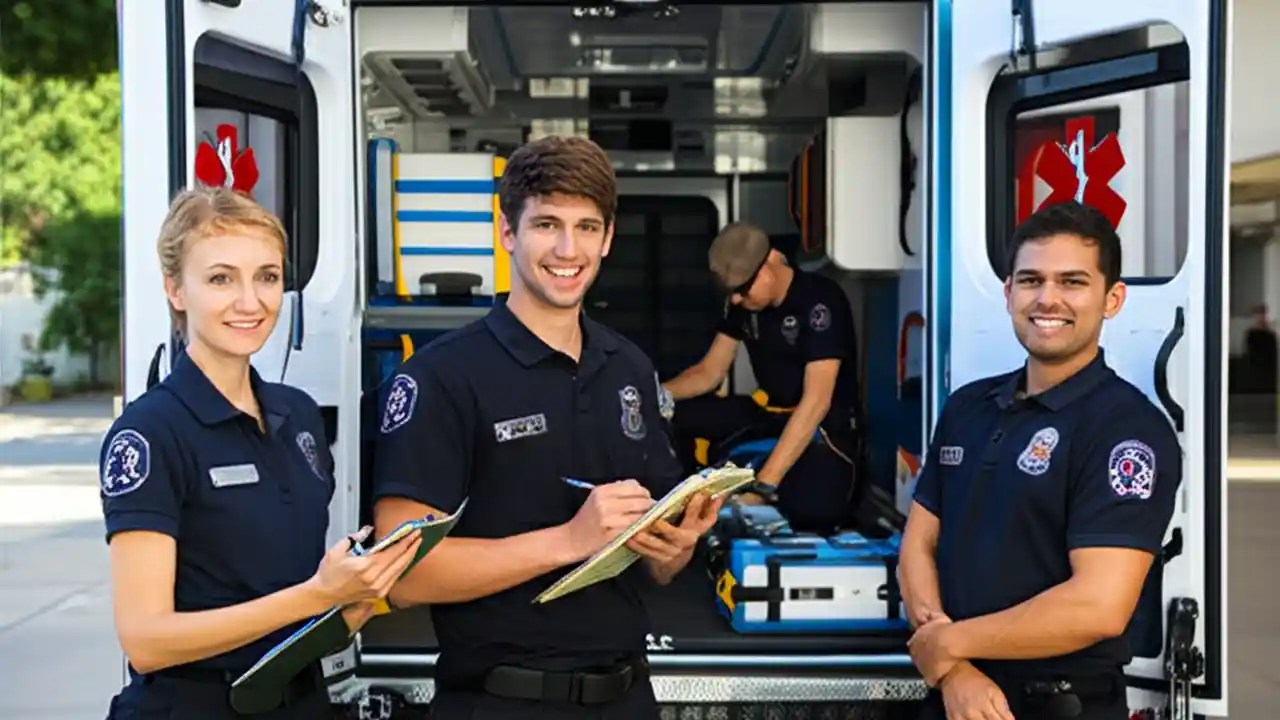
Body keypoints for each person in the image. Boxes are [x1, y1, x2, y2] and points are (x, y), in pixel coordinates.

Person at [370, 135, 723, 719]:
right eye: (546, 224)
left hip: (629, 698)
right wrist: (569, 541)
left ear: (608, 240)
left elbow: (659, 563)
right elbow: (402, 574)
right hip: (501, 702)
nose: (568, 248)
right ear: (508, 232)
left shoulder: (630, 368)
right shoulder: (441, 377)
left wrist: (673, 547)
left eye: (587, 227)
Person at [101, 186, 422, 719]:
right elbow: (145, 640)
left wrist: (345, 610)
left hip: (301, 701)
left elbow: (282, 600)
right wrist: (318, 596)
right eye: (221, 278)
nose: (250, 301)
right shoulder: (151, 433)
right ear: (176, 290)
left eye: (267, 277)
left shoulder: (297, 416)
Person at [898, 201, 1182, 720]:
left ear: (1112, 298)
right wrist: (954, 669)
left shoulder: (1127, 430)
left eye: (1072, 282)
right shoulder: (967, 407)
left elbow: (1097, 606)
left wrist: (948, 646)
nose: (1047, 299)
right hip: (956, 695)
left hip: (1059, 703)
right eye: (1031, 280)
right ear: (1008, 293)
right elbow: (918, 542)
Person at [660, 222, 862, 535]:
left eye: (742, 289)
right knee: (678, 416)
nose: (737, 300)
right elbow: (709, 373)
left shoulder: (820, 302)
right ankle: (676, 505)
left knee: (814, 512)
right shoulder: (742, 308)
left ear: (769, 264)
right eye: (731, 293)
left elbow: (817, 401)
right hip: (770, 415)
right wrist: (654, 394)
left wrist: (764, 485)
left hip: (823, 429)